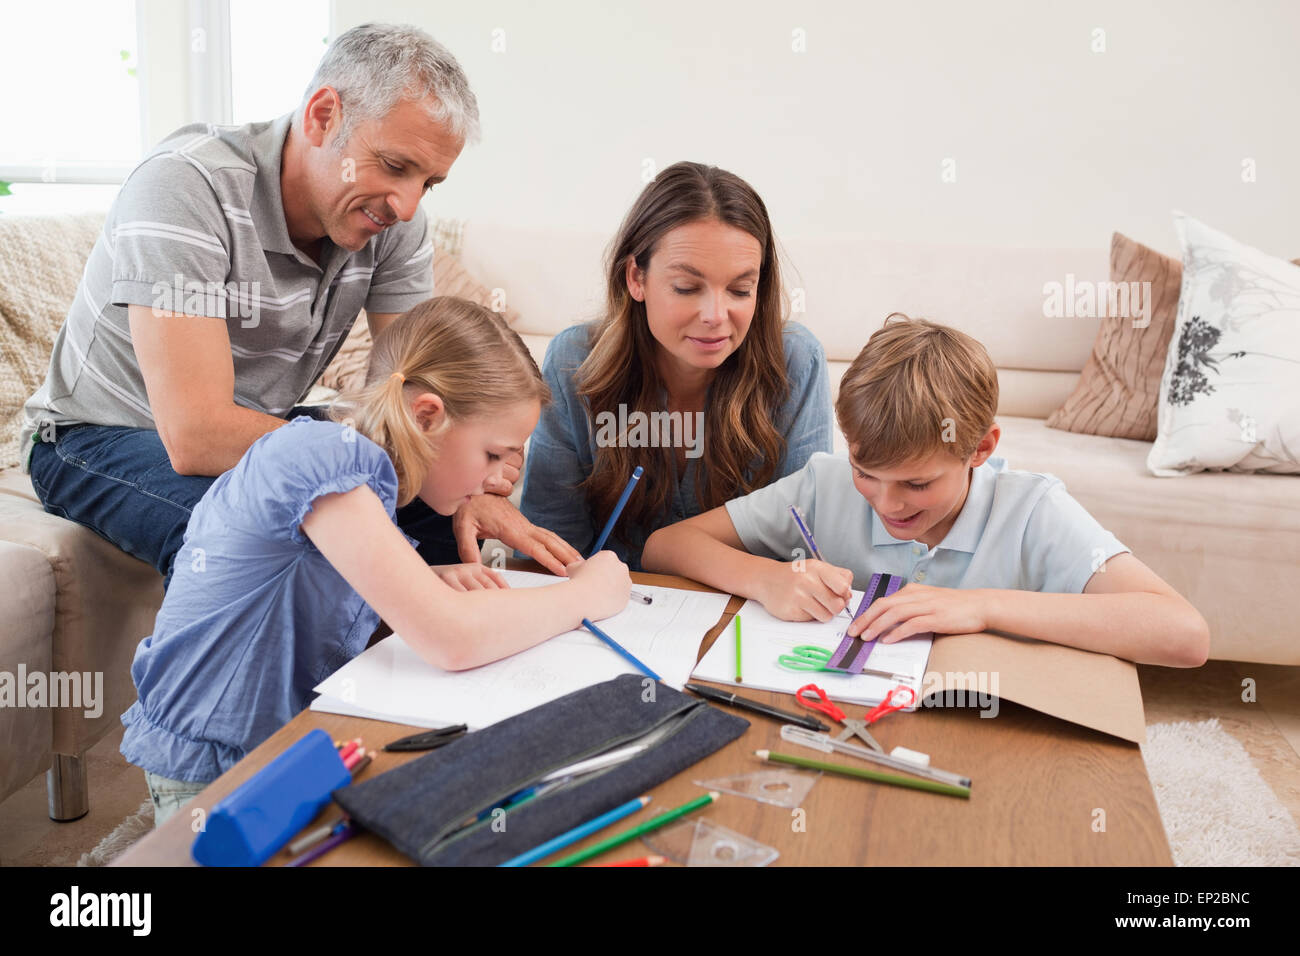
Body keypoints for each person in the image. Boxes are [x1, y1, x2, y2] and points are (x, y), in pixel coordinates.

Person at [22, 22, 576, 592]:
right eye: (393, 165)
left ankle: (437, 667)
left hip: (263, 424)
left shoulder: (392, 223)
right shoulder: (185, 187)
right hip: (101, 435)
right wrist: (381, 456)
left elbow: (419, 387)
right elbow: (196, 434)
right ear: (322, 116)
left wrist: (470, 478)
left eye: (428, 182)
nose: (407, 205)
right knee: (258, 533)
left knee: (439, 517)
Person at [121, 297, 631, 826]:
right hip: (216, 764)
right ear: (427, 415)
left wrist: (424, 580)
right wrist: (583, 596)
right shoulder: (328, 460)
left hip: (276, 744)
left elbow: (317, 584)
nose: (499, 482)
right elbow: (451, 638)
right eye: (492, 454)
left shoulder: (358, 470)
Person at [641, 315, 1210, 667]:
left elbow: (1183, 635)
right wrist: (767, 578)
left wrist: (980, 606)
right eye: (868, 471)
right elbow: (664, 547)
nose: (887, 505)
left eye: (917, 483)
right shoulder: (826, 485)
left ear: (980, 450)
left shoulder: (1032, 510)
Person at [518, 161, 833, 570]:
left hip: (749, 615)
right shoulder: (573, 361)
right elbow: (547, 549)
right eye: (687, 287)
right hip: (608, 612)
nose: (715, 315)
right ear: (636, 278)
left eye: (740, 289)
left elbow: (801, 545)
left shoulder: (796, 361)